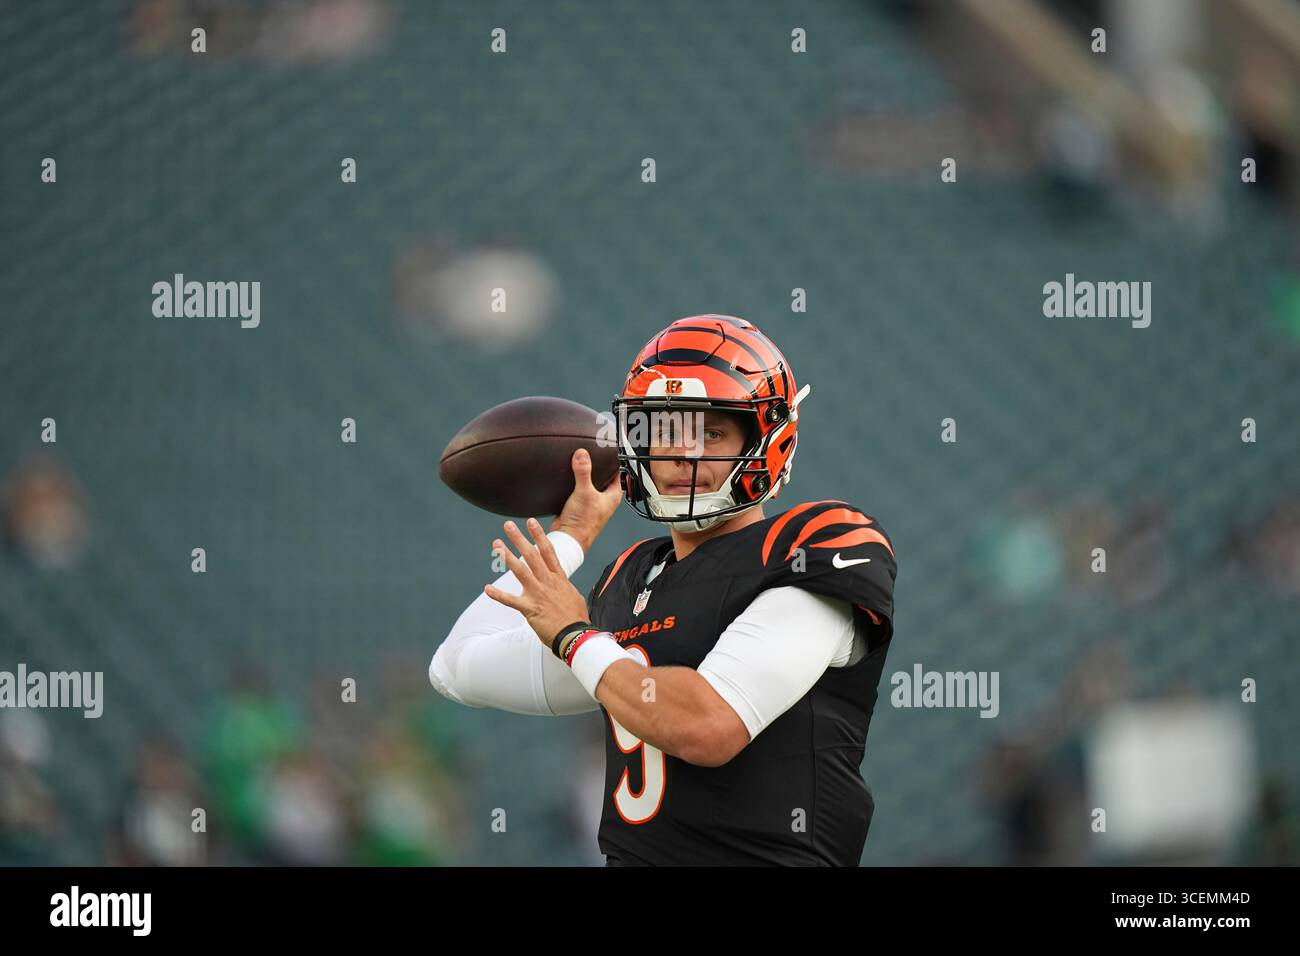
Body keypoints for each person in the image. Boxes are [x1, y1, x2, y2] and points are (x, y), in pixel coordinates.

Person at [430, 314, 897, 865]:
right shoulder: (631, 583)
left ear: (769, 436)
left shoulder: (810, 546)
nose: (683, 453)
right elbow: (456, 665)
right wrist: (569, 539)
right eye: (665, 431)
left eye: (712, 432)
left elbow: (708, 725)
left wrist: (576, 636)